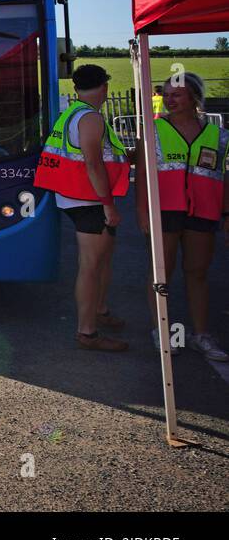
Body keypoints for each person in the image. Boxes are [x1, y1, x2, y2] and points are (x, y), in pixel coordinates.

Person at [32, 65, 132, 351]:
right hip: (87, 199)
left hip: (73, 195)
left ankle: (99, 310)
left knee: (101, 259)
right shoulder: (90, 118)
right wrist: (108, 204)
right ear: (104, 88)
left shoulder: (72, 113)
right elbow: (93, 162)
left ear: (76, 89)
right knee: (90, 265)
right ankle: (87, 333)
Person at [134, 73, 229, 361]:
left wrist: (226, 214)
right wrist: (143, 214)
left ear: (194, 98)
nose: (169, 99)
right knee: (163, 273)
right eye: (166, 94)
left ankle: (201, 335)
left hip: (204, 211)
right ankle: (162, 331)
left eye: (177, 94)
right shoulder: (151, 131)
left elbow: (223, 177)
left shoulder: (219, 135)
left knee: (198, 272)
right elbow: (141, 177)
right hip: (165, 209)